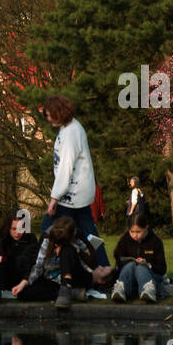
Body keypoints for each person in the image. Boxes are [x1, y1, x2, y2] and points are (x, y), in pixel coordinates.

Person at [40, 95, 108, 267]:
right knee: (90, 234)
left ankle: (43, 267)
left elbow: (66, 167)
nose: (47, 119)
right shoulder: (70, 128)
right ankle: (104, 268)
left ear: (58, 113)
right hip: (79, 193)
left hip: (72, 194)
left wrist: (54, 198)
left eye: (49, 115)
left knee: (48, 228)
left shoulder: (71, 133)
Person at [12, 216, 98, 308]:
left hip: (76, 278)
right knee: (23, 293)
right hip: (54, 281)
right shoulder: (46, 238)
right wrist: (24, 282)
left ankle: (66, 288)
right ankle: (72, 293)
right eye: (56, 245)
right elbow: (38, 266)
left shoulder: (78, 236)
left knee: (67, 250)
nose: (57, 248)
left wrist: (76, 249)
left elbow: (90, 266)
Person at [110, 211, 168, 303]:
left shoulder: (156, 242)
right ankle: (121, 289)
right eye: (132, 231)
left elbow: (162, 269)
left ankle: (148, 289)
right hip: (129, 276)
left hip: (152, 275)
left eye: (138, 231)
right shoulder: (125, 240)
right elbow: (118, 262)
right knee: (131, 265)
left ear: (146, 228)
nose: (134, 235)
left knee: (140, 267)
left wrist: (148, 264)